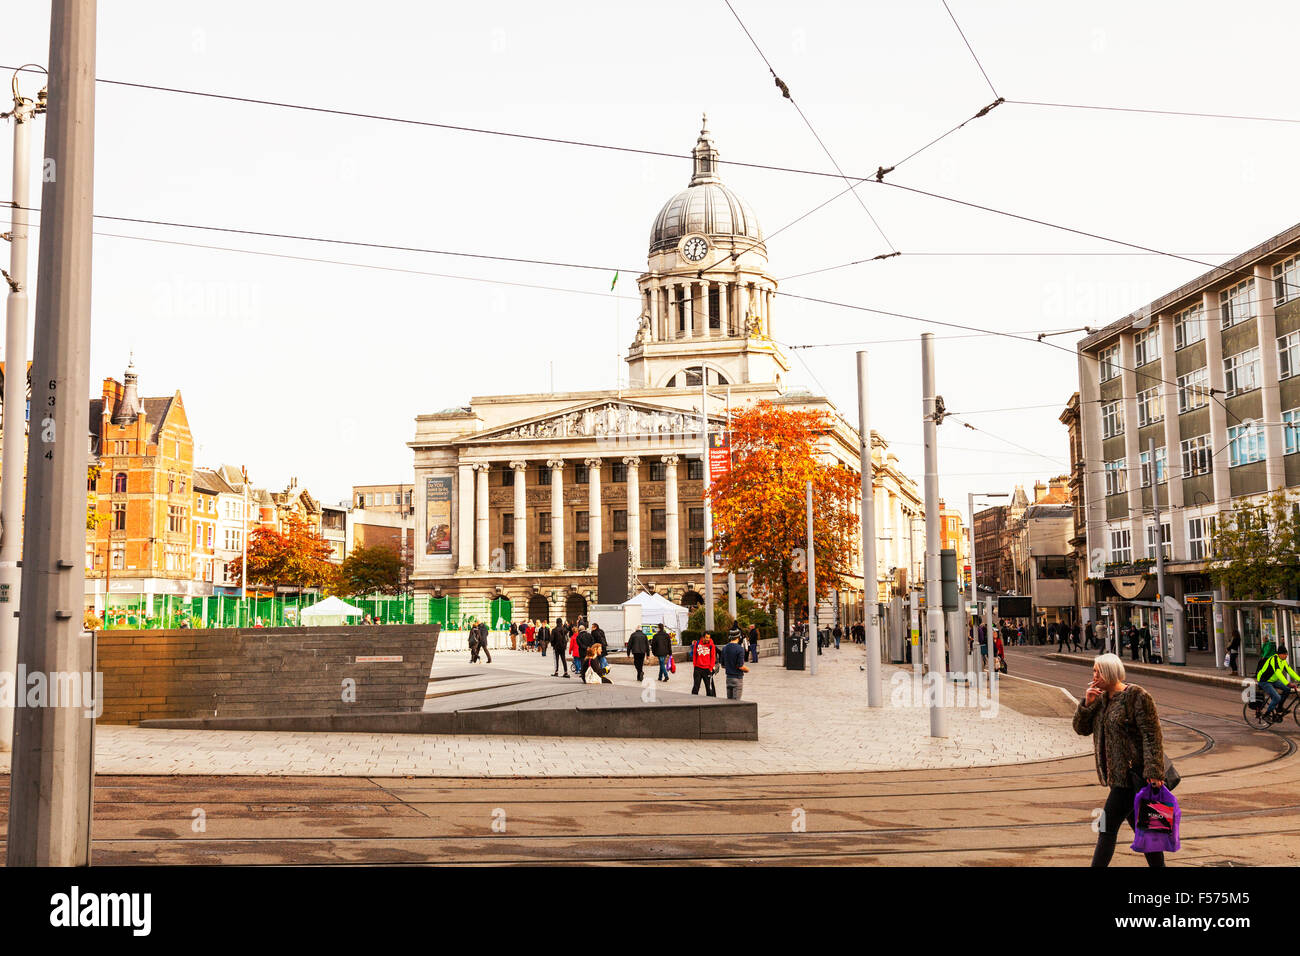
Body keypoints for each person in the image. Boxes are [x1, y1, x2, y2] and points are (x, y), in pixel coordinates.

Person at [1072, 653, 1167, 867]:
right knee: (1143, 829)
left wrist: (1154, 771)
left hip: (1133, 776)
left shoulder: (1137, 696)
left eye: (1097, 671)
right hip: (1115, 777)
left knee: (1106, 827)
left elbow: (1151, 734)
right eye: (1093, 671)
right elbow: (1081, 729)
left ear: (1109, 673)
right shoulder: (1101, 699)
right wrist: (1086, 704)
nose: (1093, 675)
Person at [1256, 646, 1300, 719]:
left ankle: (1279, 708)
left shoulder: (1283, 661)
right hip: (1264, 681)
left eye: (1287, 654)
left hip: (1273, 680)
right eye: (1285, 654)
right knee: (1277, 697)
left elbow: (1290, 671)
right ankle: (1266, 714)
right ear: (1279, 654)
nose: (1286, 655)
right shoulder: (1274, 660)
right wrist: (1288, 683)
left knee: (1287, 689)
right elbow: (1278, 673)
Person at [720, 629, 749, 699]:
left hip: (728, 678)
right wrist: (747, 669)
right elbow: (740, 666)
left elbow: (723, 665)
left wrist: (730, 666)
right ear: (739, 637)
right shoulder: (740, 649)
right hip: (737, 678)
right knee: (736, 703)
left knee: (729, 703)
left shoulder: (725, 648)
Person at [691, 632, 718, 697]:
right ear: (702, 637)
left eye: (709, 637)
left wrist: (711, 668)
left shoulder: (711, 645)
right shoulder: (697, 644)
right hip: (698, 668)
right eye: (706, 637)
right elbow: (694, 654)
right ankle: (693, 700)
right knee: (696, 687)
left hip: (707, 669)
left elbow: (713, 657)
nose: (708, 639)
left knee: (709, 688)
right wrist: (695, 665)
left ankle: (712, 701)